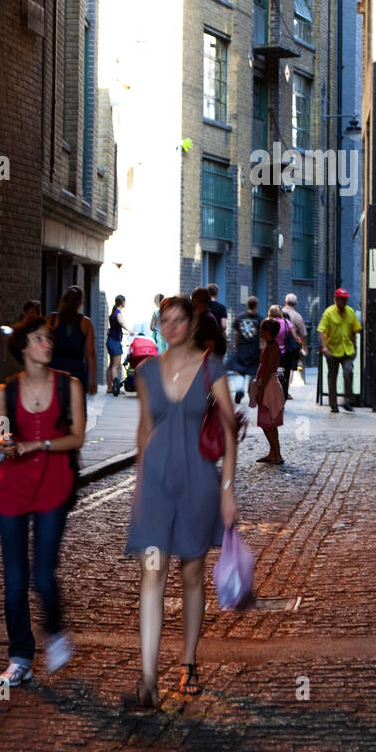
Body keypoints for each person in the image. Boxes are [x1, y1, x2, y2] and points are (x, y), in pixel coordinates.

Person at [124, 295, 238, 708]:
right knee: (152, 574)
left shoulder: (212, 368)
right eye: (164, 321)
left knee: (192, 575)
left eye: (178, 320)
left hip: (197, 485)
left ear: (191, 326)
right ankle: (148, 679)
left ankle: (189, 660)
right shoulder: (146, 371)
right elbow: (143, 430)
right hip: (156, 484)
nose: (170, 328)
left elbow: (228, 430)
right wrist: (138, 485)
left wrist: (228, 490)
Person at [0, 314, 86, 685]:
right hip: (11, 489)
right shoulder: (5, 392)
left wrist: (37, 443)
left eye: (49, 339)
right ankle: (20, 657)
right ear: (24, 347)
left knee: (44, 576)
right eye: (41, 339)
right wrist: (5, 443)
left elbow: (76, 437)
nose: (48, 344)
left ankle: (56, 632)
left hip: (53, 485)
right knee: (14, 581)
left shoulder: (68, 386)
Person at [317, 288, 361, 413]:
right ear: (336, 299)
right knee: (332, 376)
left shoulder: (350, 312)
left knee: (348, 372)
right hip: (332, 350)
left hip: (347, 350)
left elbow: (353, 332)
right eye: (342, 299)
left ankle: (347, 400)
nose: (345, 301)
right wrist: (324, 347)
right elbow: (321, 330)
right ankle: (333, 404)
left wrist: (355, 348)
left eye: (346, 299)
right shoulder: (329, 313)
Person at [49, 285, 96, 398]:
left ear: (63, 300)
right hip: (77, 372)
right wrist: (93, 379)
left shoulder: (52, 319)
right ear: (81, 303)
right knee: (77, 409)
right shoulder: (86, 323)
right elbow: (90, 353)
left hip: (54, 370)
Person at [251, 318, 285, 464]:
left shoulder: (273, 348)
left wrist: (261, 390)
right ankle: (274, 452)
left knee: (267, 423)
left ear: (268, 331)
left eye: (262, 330)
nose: (260, 332)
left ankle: (276, 454)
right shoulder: (271, 346)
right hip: (269, 385)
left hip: (269, 387)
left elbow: (268, 370)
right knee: (270, 423)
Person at [231, 296, 261, 405]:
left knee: (240, 371)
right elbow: (262, 336)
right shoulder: (260, 319)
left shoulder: (239, 318)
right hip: (254, 349)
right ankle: (250, 392)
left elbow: (235, 333)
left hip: (241, 348)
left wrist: (236, 345)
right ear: (256, 305)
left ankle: (239, 390)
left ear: (247, 305)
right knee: (253, 373)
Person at [191, 287, 227, 359]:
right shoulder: (199, 317)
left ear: (195, 301)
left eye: (192, 298)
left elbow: (209, 348)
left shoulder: (208, 320)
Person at [283, 294, 309, 385]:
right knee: (289, 368)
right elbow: (303, 334)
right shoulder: (297, 316)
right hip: (292, 346)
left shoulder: (278, 313)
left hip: (279, 344)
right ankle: (286, 389)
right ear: (296, 303)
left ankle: (280, 388)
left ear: (285, 302)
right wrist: (304, 347)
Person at [106, 295, 129, 393]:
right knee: (116, 365)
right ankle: (115, 388)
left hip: (111, 340)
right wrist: (129, 330)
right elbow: (121, 322)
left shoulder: (113, 313)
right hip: (115, 342)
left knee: (111, 365)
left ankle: (109, 388)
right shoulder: (118, 313)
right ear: (122, 302)